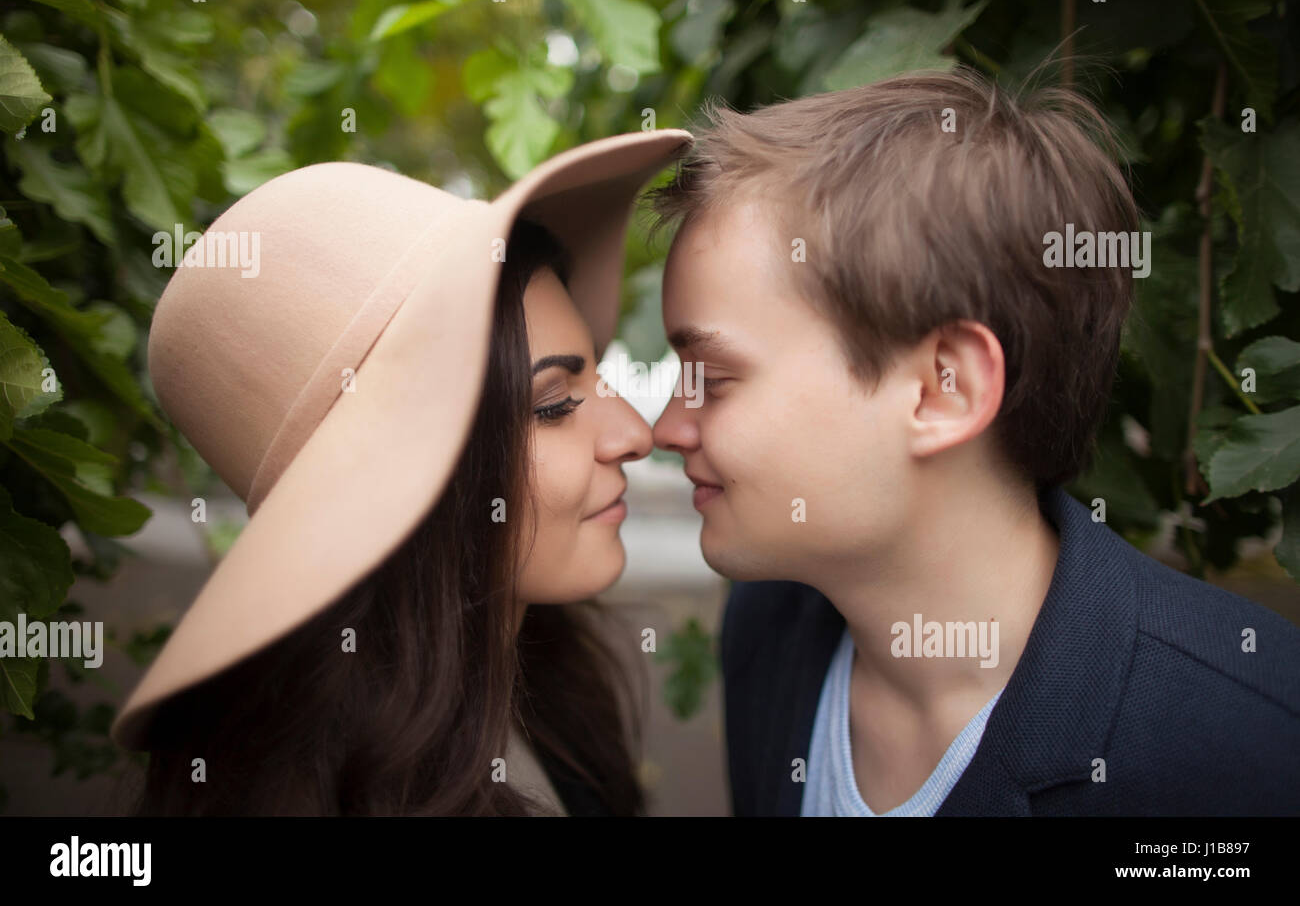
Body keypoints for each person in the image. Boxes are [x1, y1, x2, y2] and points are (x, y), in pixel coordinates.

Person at [647, 67, 1300, 816]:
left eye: (713, 377)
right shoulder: (771, 629)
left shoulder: (1240, 747)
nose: (665, 426)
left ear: (942, 389)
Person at [110, 130, 692, 814]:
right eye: (554, 404)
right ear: (395, 488)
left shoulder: (547, 697)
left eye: (597, 369)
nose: (635, 434)